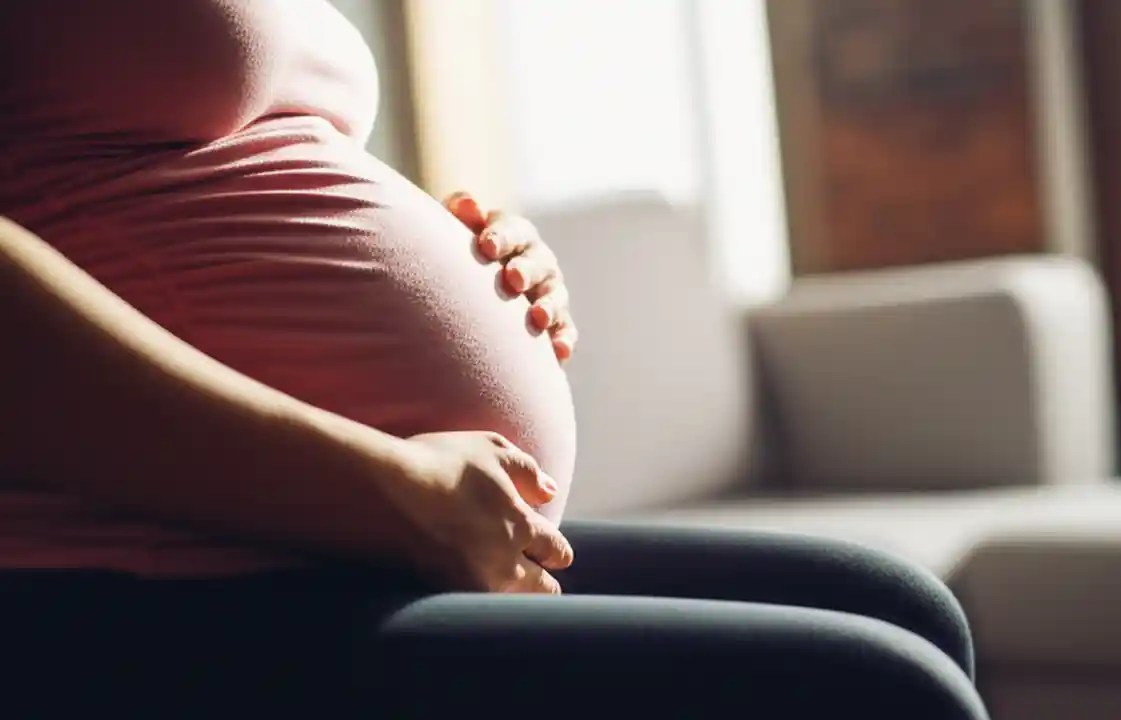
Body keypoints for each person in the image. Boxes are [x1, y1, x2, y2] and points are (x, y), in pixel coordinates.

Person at [0, 2, 987, 717]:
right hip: (138, 568)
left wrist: (469, 252)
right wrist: (385, 487)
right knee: (880, 691)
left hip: (341, 544)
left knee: (897, 605)